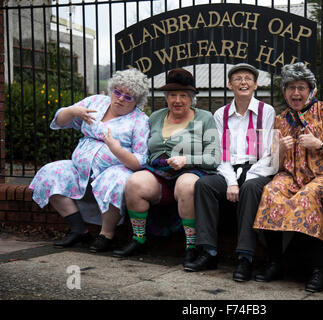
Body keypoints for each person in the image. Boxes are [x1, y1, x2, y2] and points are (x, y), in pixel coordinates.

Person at [29, 68, 151, 252]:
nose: (120, 99)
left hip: (115, 168)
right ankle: (79, 230)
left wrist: (117, 150)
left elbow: (139, 161)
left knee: (116, 180)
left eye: (128, 97)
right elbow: (59, 121)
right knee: (49, 173)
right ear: (111, 90)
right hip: (80, 168)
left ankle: (106, 234)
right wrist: (72, 111)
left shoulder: (140, 120)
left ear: (137, 101)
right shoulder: (96, 102)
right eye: (117, 92)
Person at [252, 62, 323, 292]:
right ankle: (274, 263)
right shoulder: (281, 119)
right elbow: (273, 163)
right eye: (291, 87)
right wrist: (280, 149)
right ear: (284, 91)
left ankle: (317, 270)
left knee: (308, 196)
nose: (296, 93)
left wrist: (320, 144)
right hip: (291, 176)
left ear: (311, 89)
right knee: (271, 192)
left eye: (301, 87)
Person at [112, 68, 220, 267]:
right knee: (135, 182)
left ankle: (191, 246)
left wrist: (186, 159)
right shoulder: (155, 117)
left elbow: (214, 158)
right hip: (158, 172)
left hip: (190, 171)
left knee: (187, 185)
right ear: (166, 97)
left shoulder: (205, 118)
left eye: (183, 95)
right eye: (172, 95)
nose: (177, 100)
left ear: (192, 98)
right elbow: (142, 148)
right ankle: (139, 240)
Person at [184, 63, 276, 282]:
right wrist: (232, 181)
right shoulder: (221, 114)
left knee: (250, 189)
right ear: (229, 84)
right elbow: (220, 154)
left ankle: (245, 257)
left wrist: (244, 180)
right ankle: (208, 252)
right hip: (229, 170)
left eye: (247, 78)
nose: (243, 82)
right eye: (237, 78)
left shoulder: (266, 111)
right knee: (204, 185)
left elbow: (268, 155)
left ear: (255, 84)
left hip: (257, 169)